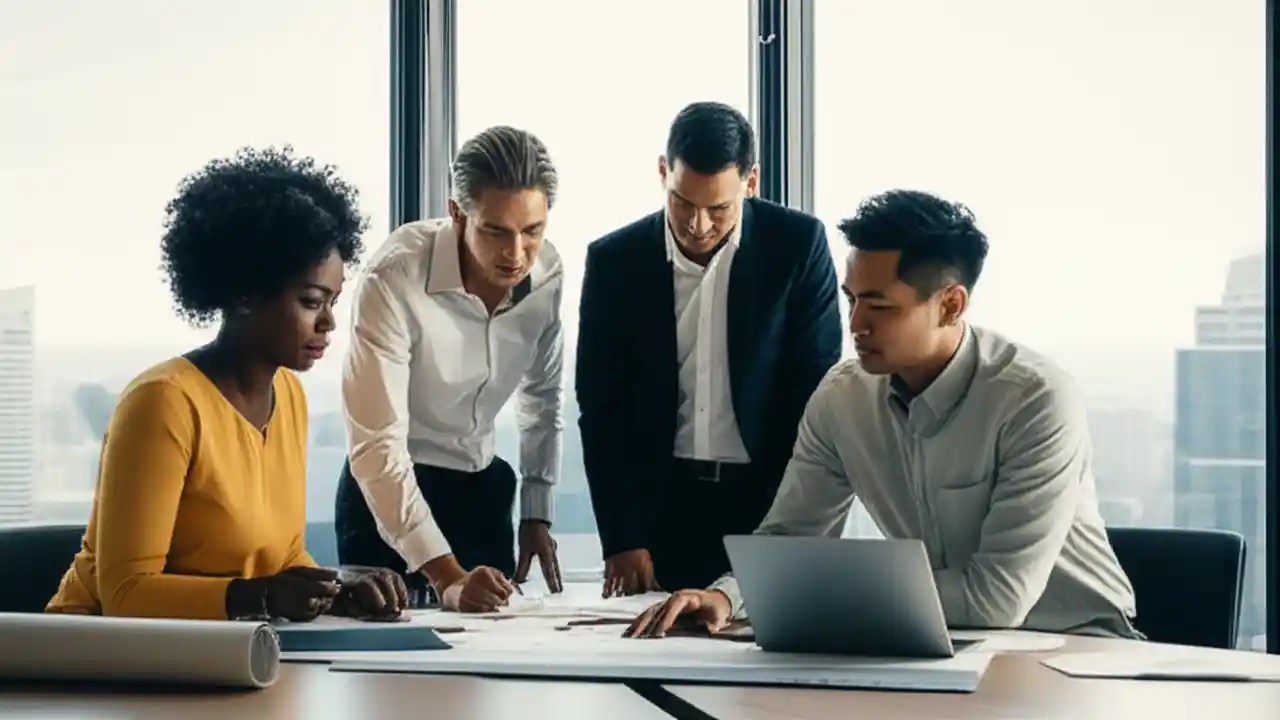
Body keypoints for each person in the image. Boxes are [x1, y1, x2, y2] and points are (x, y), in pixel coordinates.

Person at [626, 189, 1141, 640]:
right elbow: (790, 539)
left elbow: (997, 599)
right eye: (852, 300)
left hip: (1077, 646)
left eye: (880, 306)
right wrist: (726, 597)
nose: (855, 324)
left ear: (951, 305)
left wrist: (819, 594)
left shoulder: (1035, 400)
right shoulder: (843, 398)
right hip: (936, 643)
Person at [46, 147, 407, 621]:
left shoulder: (289, 397)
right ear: (244, 295)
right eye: (310, 301)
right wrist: (261, 598)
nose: (328, 323)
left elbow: (281, 558)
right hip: (98, 654)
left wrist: (335, 585)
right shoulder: (163, 403)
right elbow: (126, 594)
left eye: (332, 302)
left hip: (224, 649)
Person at [577, 101, 842, 597]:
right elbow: (602, 410)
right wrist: (622, 536)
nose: (698, 225)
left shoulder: (797, 246)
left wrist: (799, 523)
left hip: (767, 503)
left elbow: (812, 391)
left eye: (718, 208)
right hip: (660, 508)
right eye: (683, 202)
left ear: (751, 181)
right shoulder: (615, 260)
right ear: (663, 172)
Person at [335, 126, 565, 613]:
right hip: (390, 496)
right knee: (389, 655)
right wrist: (447, 577)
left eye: (532, 231)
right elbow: (376, 447)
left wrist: (536, 514)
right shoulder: (394, 276)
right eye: (496, 231)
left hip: (484, 492)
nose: (517, 254)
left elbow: (542, 401)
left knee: (494, 647)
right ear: (457, 213)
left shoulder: (547, 273)